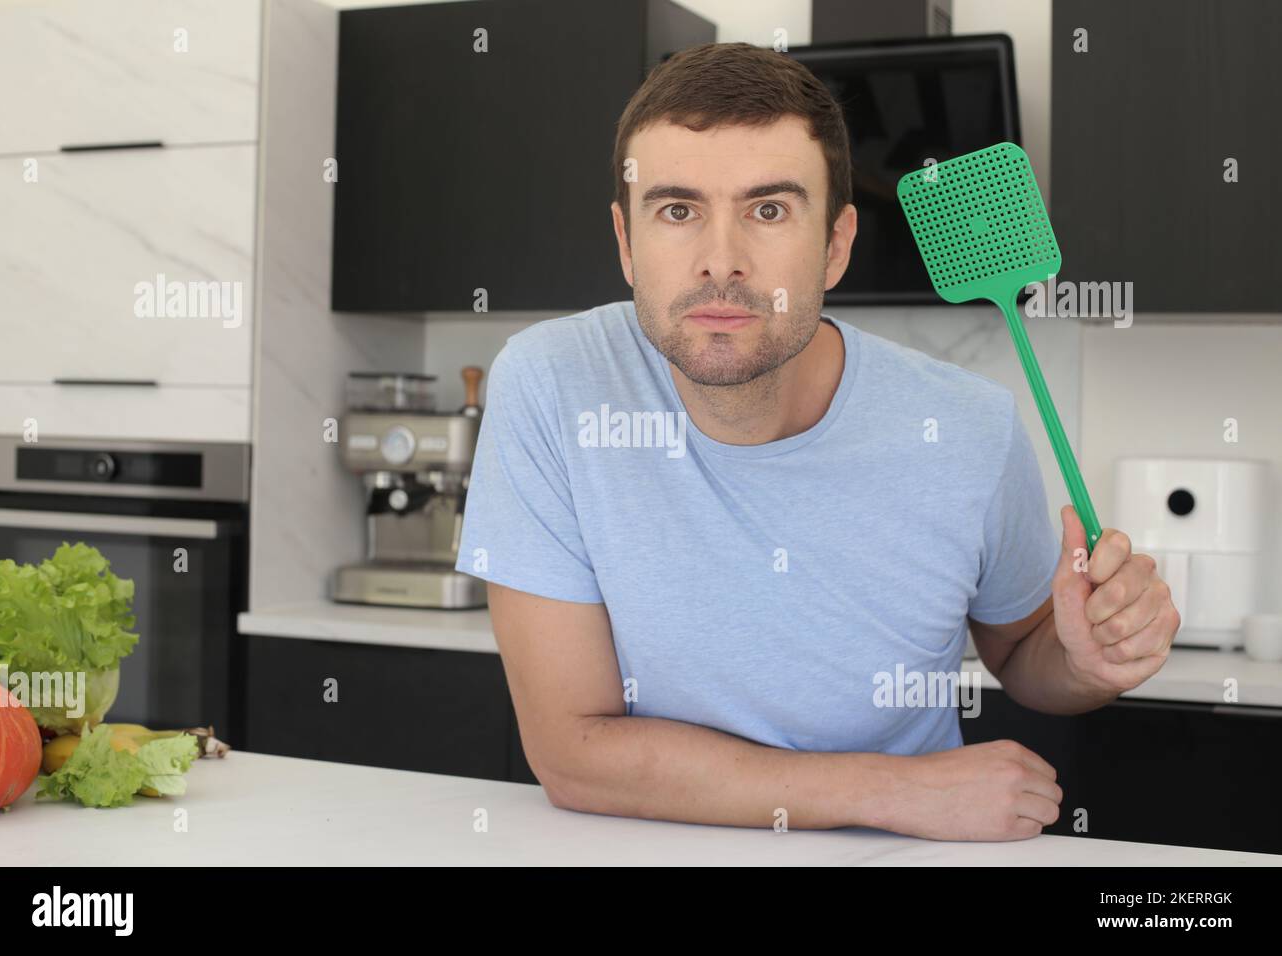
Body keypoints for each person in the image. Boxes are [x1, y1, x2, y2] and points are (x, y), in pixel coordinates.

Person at [454, 42, 1179, 840]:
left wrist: (1087, 659)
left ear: (835, 244)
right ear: (627, 243)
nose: (720, 261)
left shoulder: (969, 426)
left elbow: (1024, 657)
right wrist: (892, 791)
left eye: (768, 210)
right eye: (678, 210)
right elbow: (571, 750)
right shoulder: (551, 385)